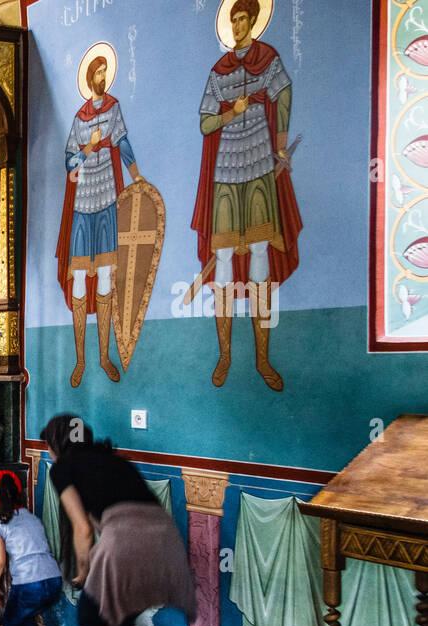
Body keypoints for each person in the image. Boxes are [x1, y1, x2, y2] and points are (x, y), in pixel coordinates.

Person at [40, 413, 197, 626]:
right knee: (119, 621)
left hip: (127, 539)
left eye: (49, 446)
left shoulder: (63, 468)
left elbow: (83, 529)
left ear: (57, 443)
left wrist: (83, 572)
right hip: (164, 539)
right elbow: (103, 523)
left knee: (90, 617)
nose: (50, 453)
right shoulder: (114, 462)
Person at [193, 0, 300, 391]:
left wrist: (283, 143)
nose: (237, 25)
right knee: (222, 258)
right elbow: (205, 123)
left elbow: (283, 92)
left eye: (243, 18)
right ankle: (224, 356)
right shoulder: (218, 71)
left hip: (257, 164)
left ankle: (263, 359)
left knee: (259, 254)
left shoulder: (267, 59)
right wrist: (229, 113)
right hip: (224, 171)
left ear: (253, 20)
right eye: (233, 19)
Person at [57, 48, 146, 387]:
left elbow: (123, 143)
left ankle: (103, 356)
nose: (103, 78)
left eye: (106, 73)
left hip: (108, 196)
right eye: (98, 73)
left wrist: (136, 177)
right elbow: (69, 163)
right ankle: (80, 361)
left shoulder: (114, 108)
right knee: (80, 278)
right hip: (82, 204)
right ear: (90, 77)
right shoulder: (79, 118)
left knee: (107, 276)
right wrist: (89, 148)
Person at [0, 469, 61, 626]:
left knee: (10, 623)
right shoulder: (32, 519)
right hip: (53, 581)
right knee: (24, 619)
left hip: (29, 584)